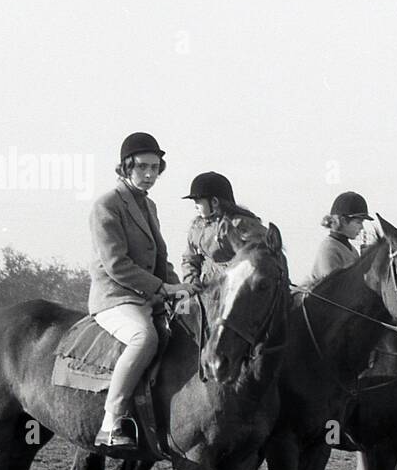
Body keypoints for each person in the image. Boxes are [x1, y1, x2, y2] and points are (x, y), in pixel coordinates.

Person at [88, 132, 196, 449]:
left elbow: (159, 259)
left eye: (155, 168)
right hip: (116, 298)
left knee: (192, 325)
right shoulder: (106, 205)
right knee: (144, 337)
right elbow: (115, 264)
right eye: (142, 167)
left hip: (150, 295)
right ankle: (111, 422)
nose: (150, 175)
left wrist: (182, 288)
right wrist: (163, 287)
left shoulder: (148, 205)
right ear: (126, 167)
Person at [180, 171, 265, 288]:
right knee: (181, 302)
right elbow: (189, 259)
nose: (195, 206)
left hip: (241, 288)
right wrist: (192, 281)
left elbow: (263, 257)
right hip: (206, 289)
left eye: (198, 201)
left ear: (214, 202)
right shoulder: (197, 228)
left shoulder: (242, 225)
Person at [309, 191, 372, 284]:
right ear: (343, 221)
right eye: (358, 222)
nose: (361, 227)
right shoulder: (329, 249)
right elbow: (334, 288)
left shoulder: (352, 250)